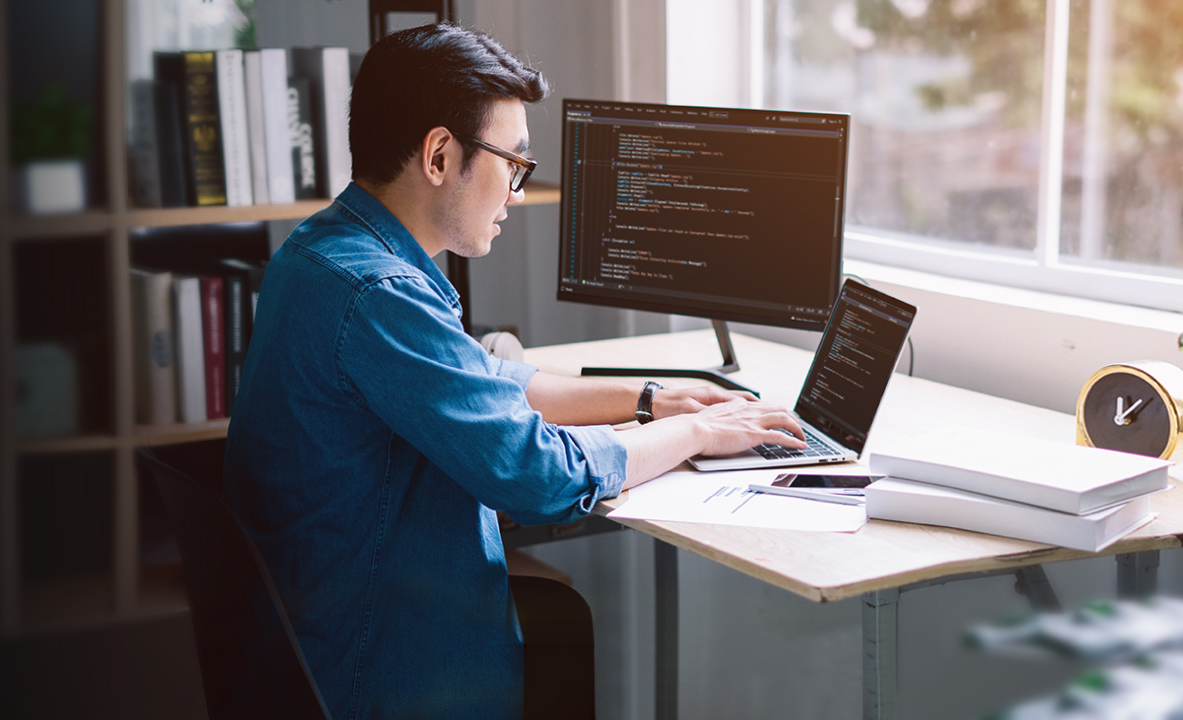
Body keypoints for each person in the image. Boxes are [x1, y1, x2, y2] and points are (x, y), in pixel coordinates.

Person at [223, 22, 805, 720]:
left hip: (320, 640)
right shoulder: (379, 296)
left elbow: (489, 382)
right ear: (440, 155)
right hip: (375, 672)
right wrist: (698, 436)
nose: (518, 193)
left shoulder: (325, 252)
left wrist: (651, 399)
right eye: (513, 162)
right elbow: (539, 477)